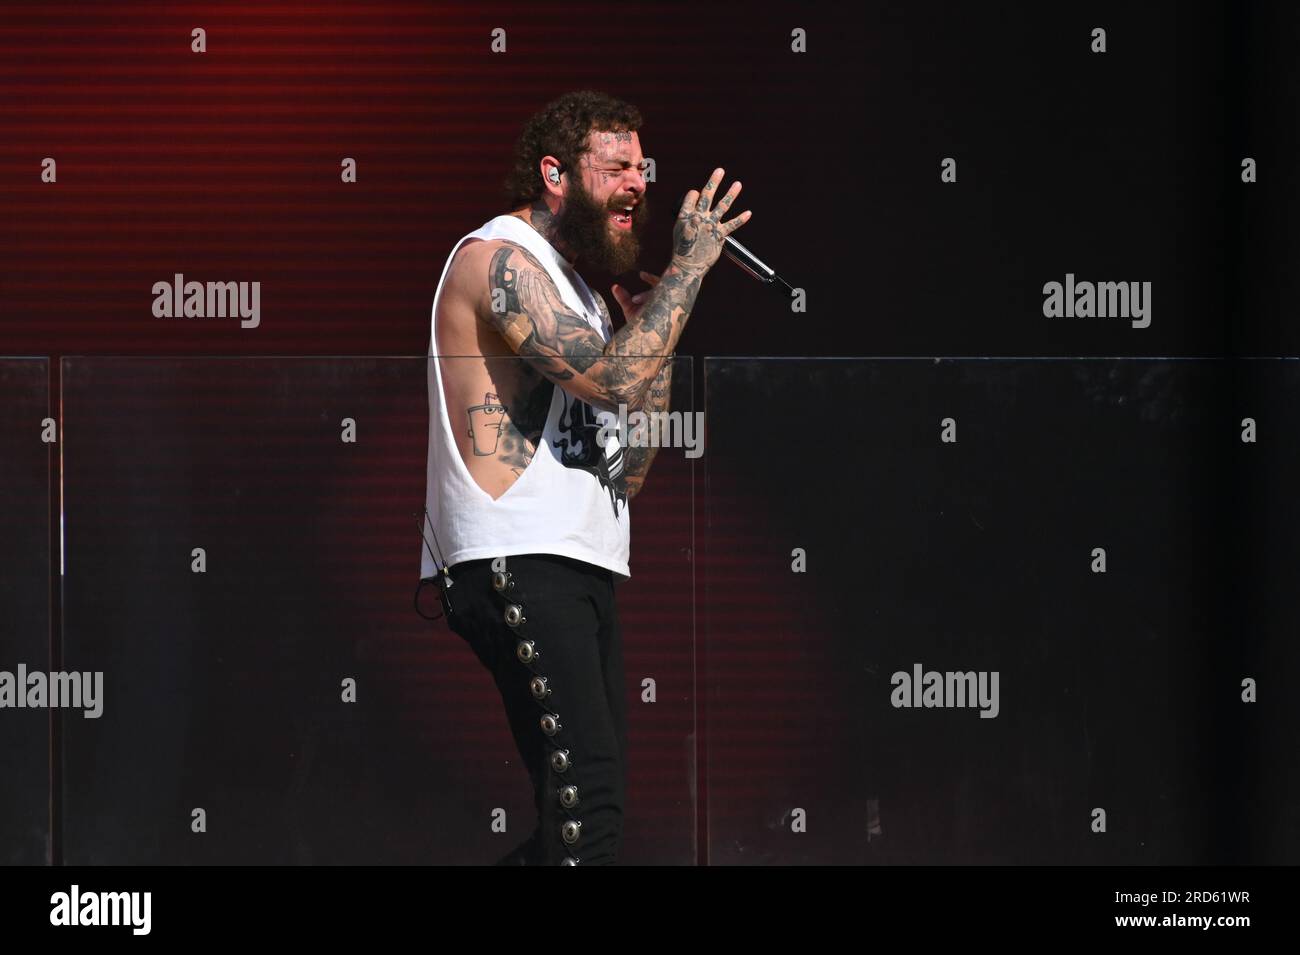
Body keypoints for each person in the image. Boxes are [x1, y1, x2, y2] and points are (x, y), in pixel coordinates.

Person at [418, 89, 750, 865]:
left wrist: (650, 331)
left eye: (645, 167)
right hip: (516, 554)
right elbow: (608, 380)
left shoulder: (587, 292)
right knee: (589, 811)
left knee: (583, 814)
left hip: (580, 558)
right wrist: (690, 274)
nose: (639, 182)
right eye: (618, 166)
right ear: (555, 174)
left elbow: (627, 471)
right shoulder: (501, 258)